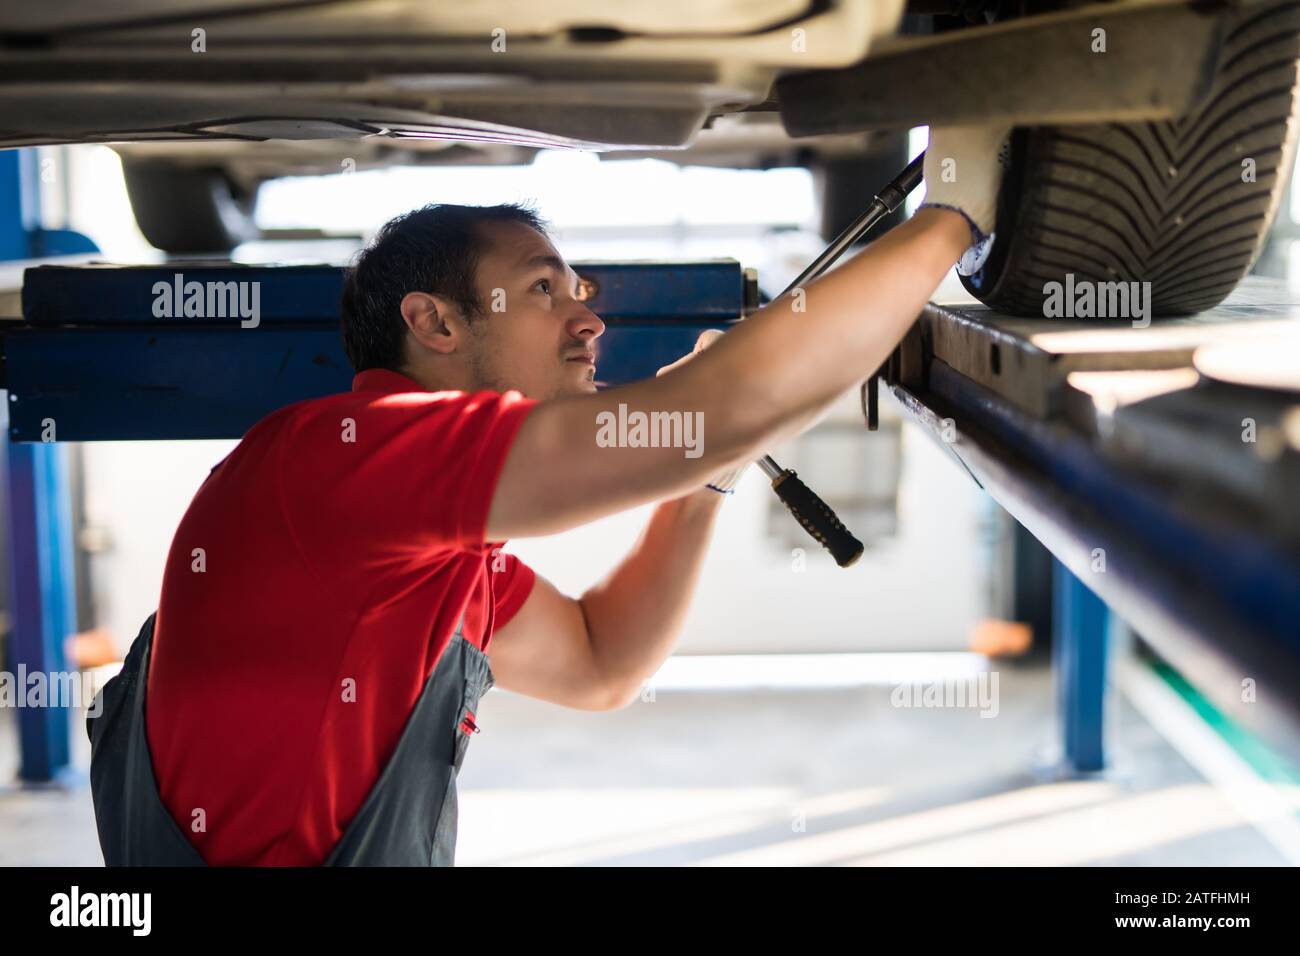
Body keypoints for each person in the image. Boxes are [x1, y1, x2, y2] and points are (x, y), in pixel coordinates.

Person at [86, 126, 1009, 866]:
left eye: (580, 291)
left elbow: (602, 663)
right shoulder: (340, 458)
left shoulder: (425, 551)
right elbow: (709, 416)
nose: (590, 319)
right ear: (435, 322)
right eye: (541, 289)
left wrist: (705, 478)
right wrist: (955, 216)